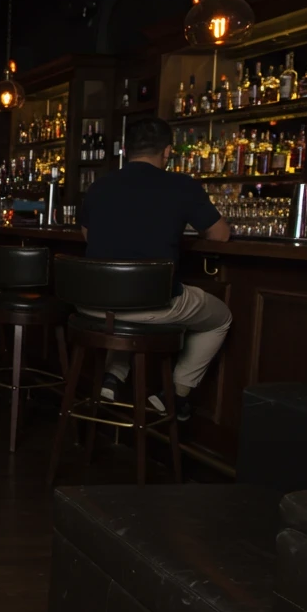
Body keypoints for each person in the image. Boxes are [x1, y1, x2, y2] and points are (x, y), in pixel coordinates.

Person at [80, 117, 232, 420]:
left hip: (92, 305)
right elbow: (220, 235)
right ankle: (176, 394)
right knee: (221, 318)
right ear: (167, 152)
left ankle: (112, 378)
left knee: (124, 301)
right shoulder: (181, 186)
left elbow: (87, 235)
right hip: (150, 306)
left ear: (126, 150)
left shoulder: (99, 186)